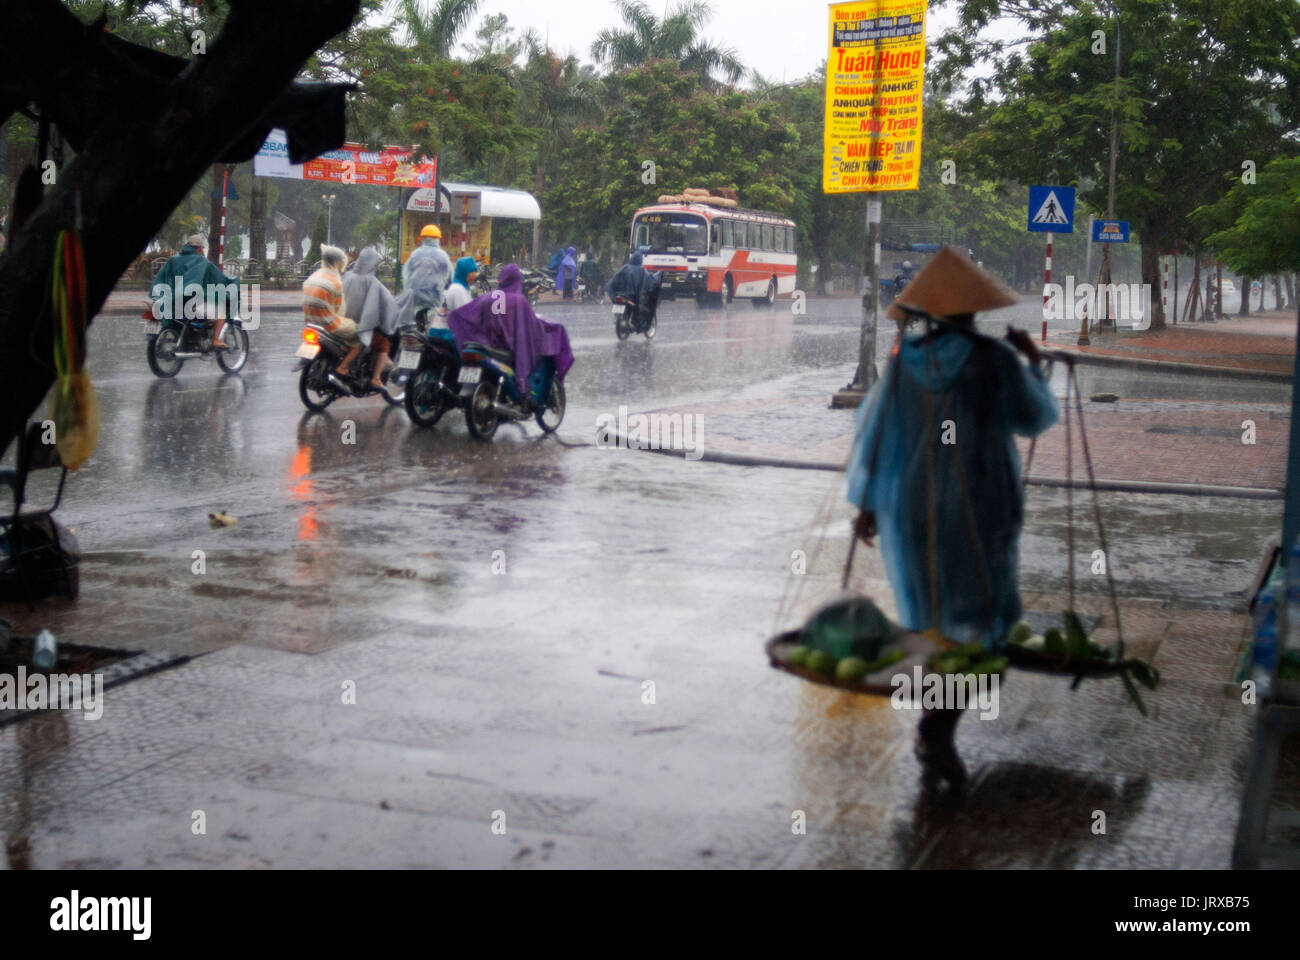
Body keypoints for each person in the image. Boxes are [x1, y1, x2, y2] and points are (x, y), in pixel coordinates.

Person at [845, 246, 1058, 785]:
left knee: (931, 626)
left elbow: (872, 435)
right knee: (982, 632)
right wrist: (1032, 363)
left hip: (911, 510)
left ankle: (933, 727)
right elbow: (1033, 417)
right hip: (979, 510)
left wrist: (868, 505)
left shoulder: (901, 366)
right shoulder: (994, 360)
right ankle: (937, 732)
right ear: (973, 310)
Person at [445, 263, 574, 401]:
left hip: (489, 346)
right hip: (509, 347)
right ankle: (523, 388)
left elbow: (466, 313)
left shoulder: (488, 297)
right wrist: (551, 329)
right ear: (517, 280)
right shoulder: (519, 300)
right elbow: (529, 325)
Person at [151, 233, 239, 348]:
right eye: (202, 248)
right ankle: (215, 340)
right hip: (192, 304)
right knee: (222, 310)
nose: (202, 251)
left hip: (172, 302)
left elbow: (161, 279)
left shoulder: (173, 260)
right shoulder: (202, 262)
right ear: (199, 248)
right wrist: (233, 282)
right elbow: (219, 279)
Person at [342, 246, 399, 391]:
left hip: (341, 322)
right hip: (358, 326)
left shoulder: (347, 276)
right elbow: (388, 303)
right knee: (384, 344)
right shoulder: (372, 282)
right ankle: (376, 378)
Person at [302, 244, 359, 380]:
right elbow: (340, 310)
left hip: (310, 323)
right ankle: (343, 367)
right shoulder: (335, 281)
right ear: (339, 262)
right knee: (360, 335)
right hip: (327, 324)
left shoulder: (313, 276)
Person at [396, 224, 454, 331]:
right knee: (434, 326)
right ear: (438, 239)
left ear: (422, 239)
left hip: (414, 297)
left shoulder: (415, 254)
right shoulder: (443, 256)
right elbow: (450, 278)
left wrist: (408, 290)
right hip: (434, 298)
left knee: (415, 325)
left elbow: (406, 275)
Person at [606, 251, 660, 332]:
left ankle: (620, 319)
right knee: (640, 307)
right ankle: (635, 323)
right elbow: (649, 281)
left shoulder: (625, 267)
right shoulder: (641, 270)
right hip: (632, 296)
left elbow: (615, 279)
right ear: (640, 260)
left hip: (620, 294)